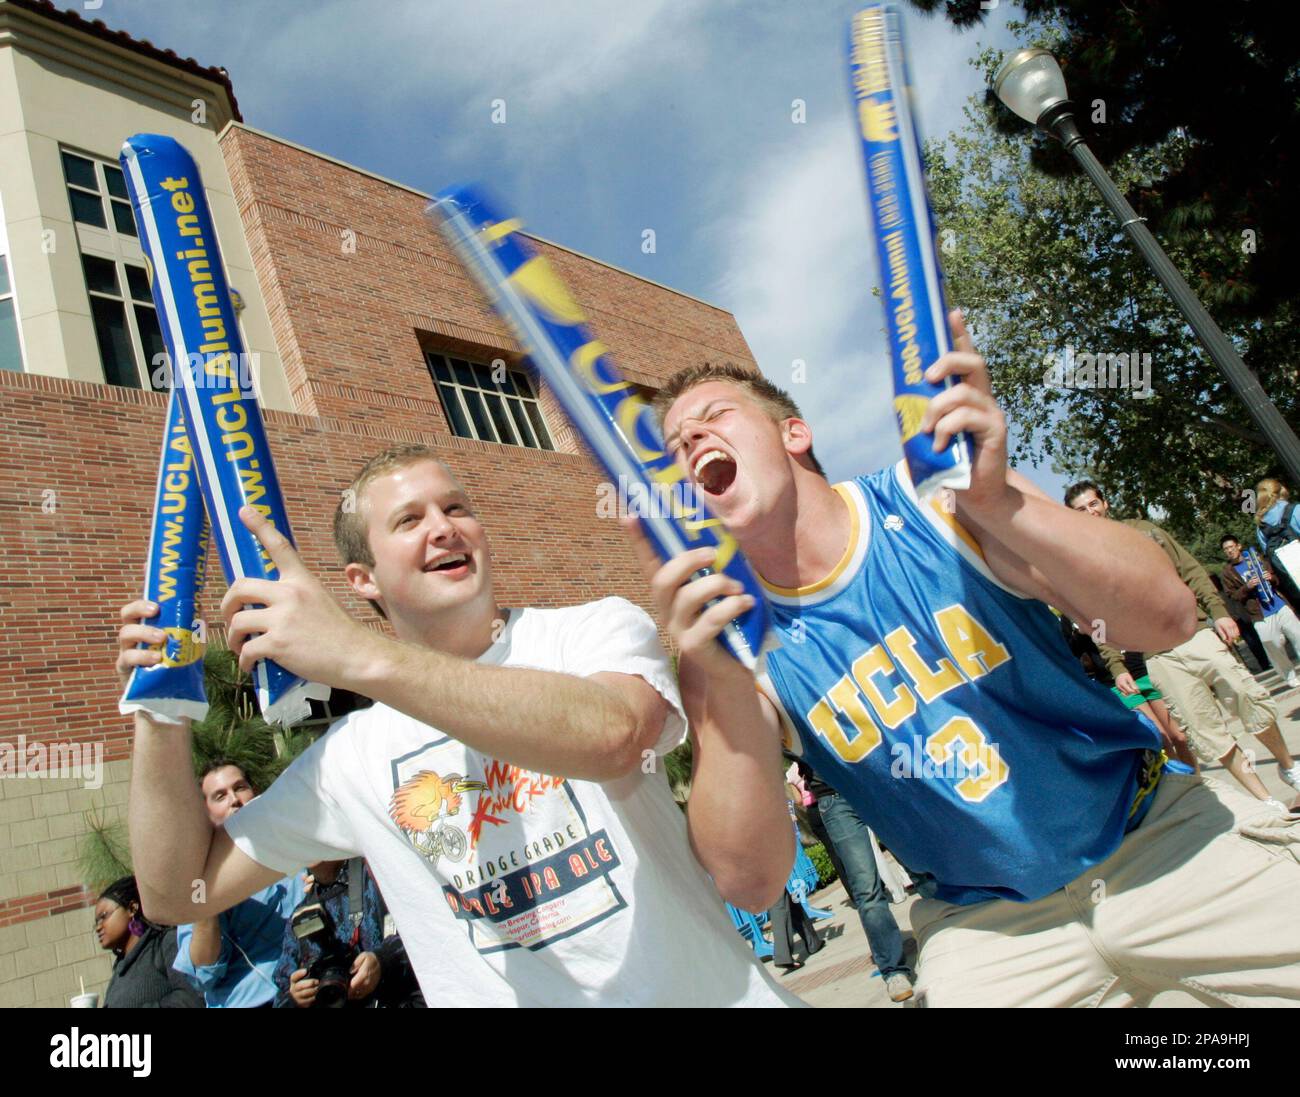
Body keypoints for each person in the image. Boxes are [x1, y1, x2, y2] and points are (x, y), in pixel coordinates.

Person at [634, 309, 1300, 1007]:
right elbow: (749, 879)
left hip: (1151, 836)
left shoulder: (936, 498)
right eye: (672, 447)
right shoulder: (727, 641)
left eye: (713, 415)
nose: (690, 439)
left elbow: (1168, 616)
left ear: (792, 432)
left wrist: (1002, 501)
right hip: (984, 926)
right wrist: (719, 676)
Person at [120, 444, 798, 1008]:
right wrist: (160, 705)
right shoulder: (350, 758)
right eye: (409, 519)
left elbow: (614, 737)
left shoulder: (590, 629)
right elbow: (177, 892)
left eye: (456, 508)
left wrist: (358, 656)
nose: (443, 527)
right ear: (363, 578)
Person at [1067, 482, 1300, 807]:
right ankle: (1267, 802)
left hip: (1195, 634)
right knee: (1206, 733)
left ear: (1104, 504)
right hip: (1158, 658)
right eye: (1080, 510)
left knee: (1248, 696)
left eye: (1093, 504)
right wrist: (1117, 666)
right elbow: (1098, 621)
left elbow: (1190, 570)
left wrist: (1218, 613)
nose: (1090, 513)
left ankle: (1289, 768)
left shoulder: (1144, 533)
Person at [170, 759, 306, 1007]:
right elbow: (203, 976)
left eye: (240, 787)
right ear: (206, 815)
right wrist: (207, 904)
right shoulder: (199, 879)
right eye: (220, 796)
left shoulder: (295, 843)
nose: (234, 799)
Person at [275, 858, 423, 1008]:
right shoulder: (299, 918)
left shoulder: (377, 877)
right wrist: (293, 999)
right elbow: (281, 992)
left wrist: (383, 960)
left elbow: (427, 933)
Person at [95, 876, 204, 1008]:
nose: (98, 927)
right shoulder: (120, 970)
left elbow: (192, 998)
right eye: (96, 922)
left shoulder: (164, 944)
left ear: (132, 908)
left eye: (104, 916)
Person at [1222, 533, 1300, 689]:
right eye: (1226, 549)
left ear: (1238, 546)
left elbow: (1277, 578)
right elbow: (1232, 595)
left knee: (1298, 635)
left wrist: (1270, 577)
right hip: (1259, 614)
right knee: (1273, 646)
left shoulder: (1255, 557)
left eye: (1231, 547)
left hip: (1278, 604)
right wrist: (1247, 587)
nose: (1229, 551)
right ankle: (1289, 675)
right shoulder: (1227, 572)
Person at [1211, 567, 1272, 674]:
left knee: (1255, 640)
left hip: (1241, 617)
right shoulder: (1219, 595)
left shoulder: (1224, 592)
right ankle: (1264, 662)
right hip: (1237, 619)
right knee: (1252, 641)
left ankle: (1265, 662)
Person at [1255, 478, 1300, 604]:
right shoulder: (1296, 510)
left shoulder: (1261, 527)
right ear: (1281, 490)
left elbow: (1268, 555)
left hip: (1294, 580)